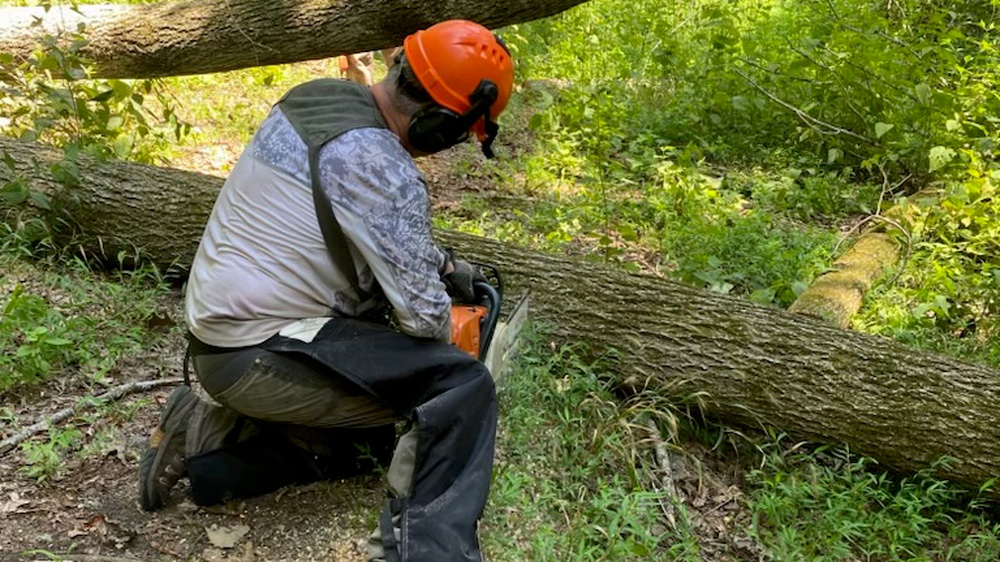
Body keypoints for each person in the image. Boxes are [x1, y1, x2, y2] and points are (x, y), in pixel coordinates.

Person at [136, 19, 515, 562]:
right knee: (456, 394)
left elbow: (352, 219)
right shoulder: (382, 167)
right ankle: (428, 551)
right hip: (260, 354)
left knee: (386, 447)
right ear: (442, 126)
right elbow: (425, 322)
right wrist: (441, 306)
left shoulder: (317, 99)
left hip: (227, 337)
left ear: (401, 65)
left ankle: (208, 441)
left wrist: (442, 263)